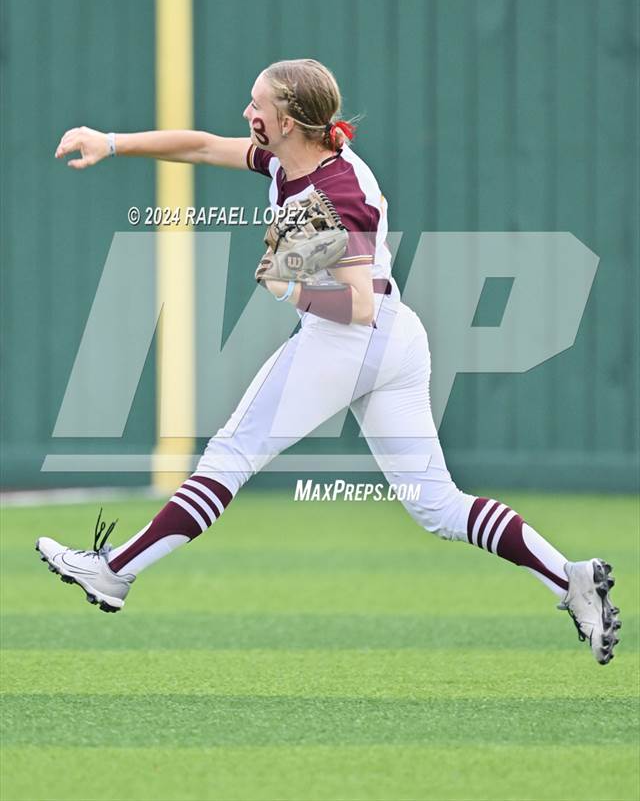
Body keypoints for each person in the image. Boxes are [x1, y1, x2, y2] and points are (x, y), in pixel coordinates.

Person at [39, 58, 620, 664]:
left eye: (257, 104)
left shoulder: (337, 192)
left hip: (350, 339)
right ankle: (569, 577)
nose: (247, 113)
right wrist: (111, 142)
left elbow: (359, 307)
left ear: (289, 121)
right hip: (396, 339)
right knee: (439, 505)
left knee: (230, 456)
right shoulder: (291, 160)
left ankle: (114, 572)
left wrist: (288, 289)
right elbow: (205, 146)